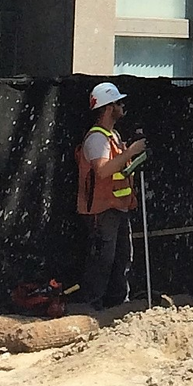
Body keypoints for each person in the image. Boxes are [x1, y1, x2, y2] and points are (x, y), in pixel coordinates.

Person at [75, 81, 146, 311]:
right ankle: (91, 309)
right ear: (108, 107)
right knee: (101, 263)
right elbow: (103, 170)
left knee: (120, 260)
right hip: (102, 211)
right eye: (118, 102)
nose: (122, 106)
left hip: (118, 208)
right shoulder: (97, 139)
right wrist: (131, 151)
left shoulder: (112, 135)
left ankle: (117, 307)